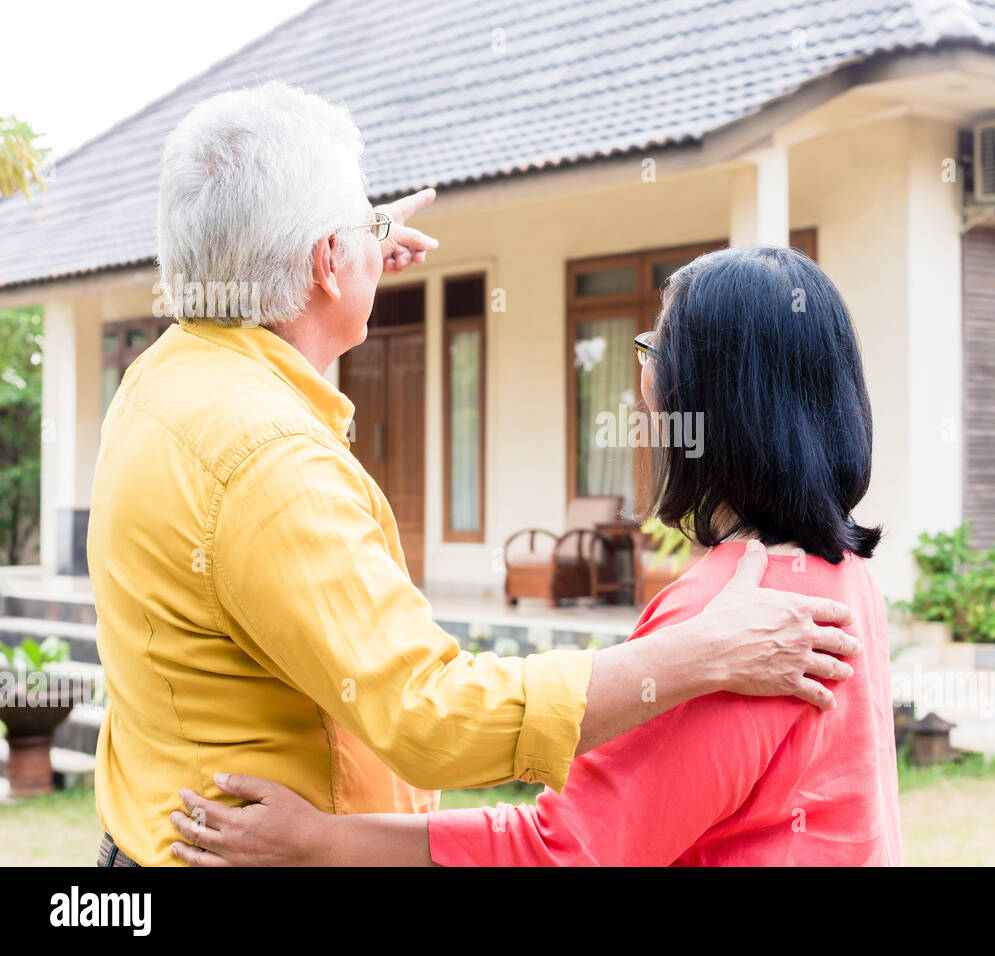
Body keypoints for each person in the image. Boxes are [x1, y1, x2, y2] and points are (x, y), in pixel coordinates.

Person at [87, 82, 859, 868]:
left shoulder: (161, 382)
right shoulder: (267, 455)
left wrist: (342, 250)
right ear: (327, 261)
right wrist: (694, 657)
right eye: (362, 227)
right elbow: (433, 718)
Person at [168, 245, 903, 866]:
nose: (641, 381)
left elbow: (565, 849)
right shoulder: (838, 571)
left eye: (654, 349)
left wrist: (320, 841)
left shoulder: (732, 618)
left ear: (708, 399)